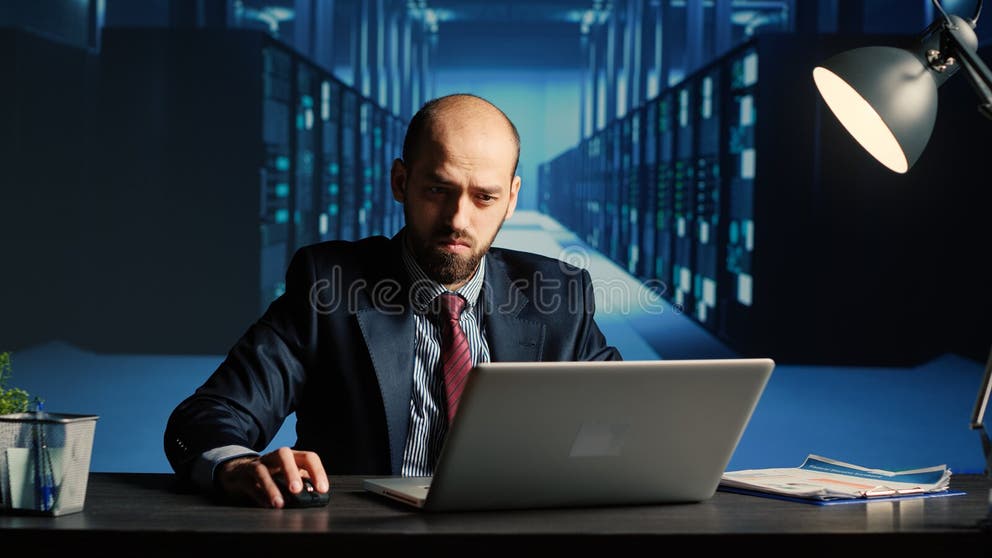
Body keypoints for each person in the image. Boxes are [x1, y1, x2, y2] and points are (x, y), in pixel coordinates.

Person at [164, 93, 622, 508]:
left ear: (511, 199)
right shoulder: (330, 284)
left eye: (484, 197)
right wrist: (236, 465)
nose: (458, 219)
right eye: (438, 191)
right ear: (400, 181)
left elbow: (626, 423)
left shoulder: (559, 293)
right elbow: (207, 415)